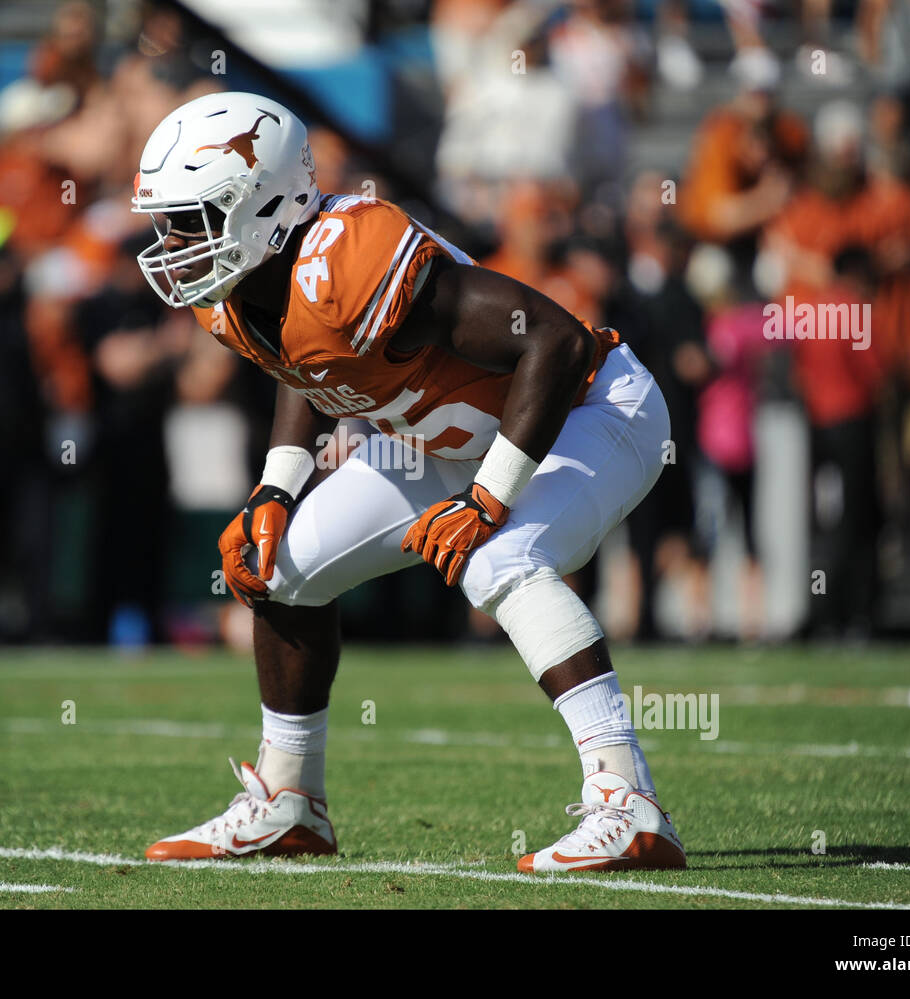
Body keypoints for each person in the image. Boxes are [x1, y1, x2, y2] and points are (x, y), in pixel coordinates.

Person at [131, 92, 684, 872]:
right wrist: (274, 490)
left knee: (499, 560)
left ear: (263, 203)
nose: (175, 243)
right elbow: (300, 356)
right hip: (441, 438)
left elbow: (553, 341)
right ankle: (290, 801)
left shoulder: (353, 260)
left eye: (193, 219)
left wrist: (488, 497)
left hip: (589, 408)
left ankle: (628, 802)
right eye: (167, 222)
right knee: (278, 570)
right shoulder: (244, 288)